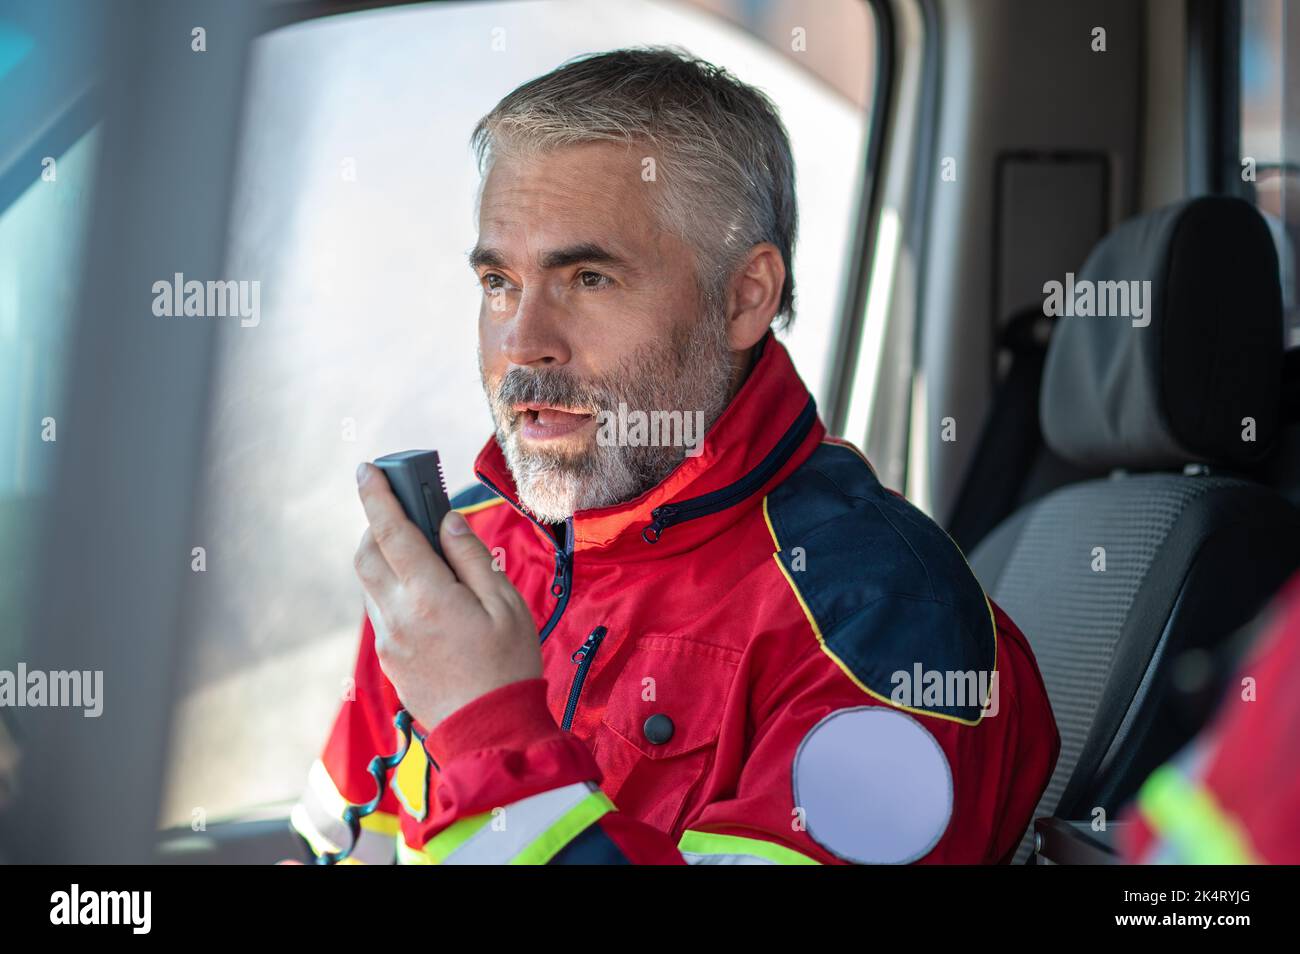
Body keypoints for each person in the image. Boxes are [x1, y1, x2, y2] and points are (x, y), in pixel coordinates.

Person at [290, 47, 1059, 865]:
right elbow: (341, 847)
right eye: (498, 283)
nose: (523, 345)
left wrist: (488, 734)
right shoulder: (462, 565)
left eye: (588, 278)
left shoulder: (886, 623)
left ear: (745, 296)